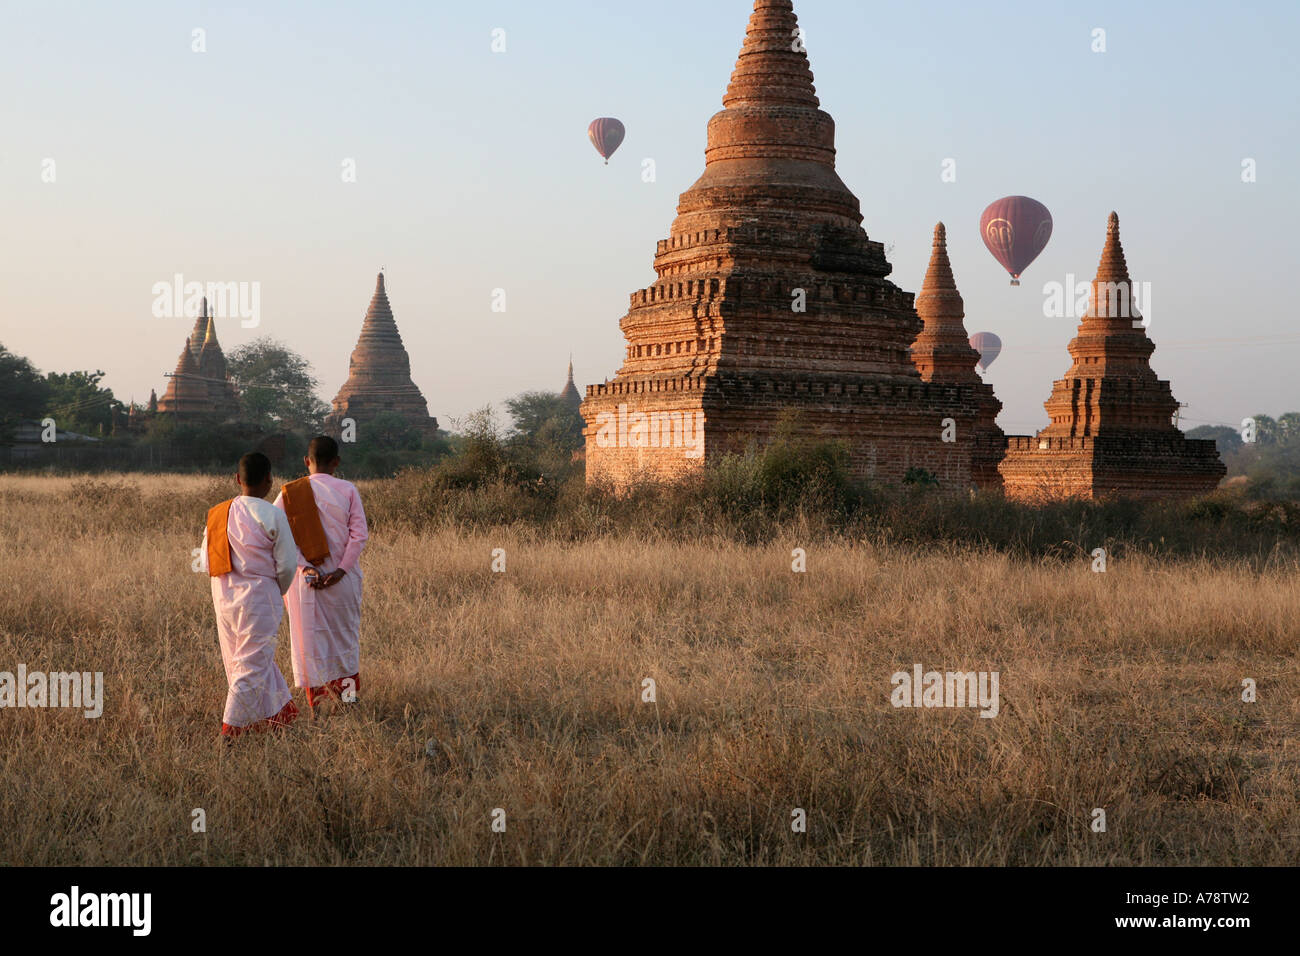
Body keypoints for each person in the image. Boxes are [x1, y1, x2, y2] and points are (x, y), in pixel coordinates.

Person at [200, 452, 300, 739]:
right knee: (251, 664)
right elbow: (287, 565)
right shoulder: (272, 514)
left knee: (245, 660)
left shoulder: (218, 513)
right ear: (270, 479)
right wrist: (274, 590)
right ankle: (230, 732)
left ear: (237, 479)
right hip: (260, 600)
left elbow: (207, 563)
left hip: (224, 598)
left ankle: (280, 716)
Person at [274, 435, 369, 714]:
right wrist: (340, 570)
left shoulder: (289, 493)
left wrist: (305, 566)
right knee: (344, 641)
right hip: (343, 581)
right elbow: (359, 535)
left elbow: (279, 537)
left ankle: (317, 706)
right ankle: (348, 701)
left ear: (307, 461)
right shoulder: (348, 489)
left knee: (309, 643)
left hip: (306, 581)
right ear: (336, 462)